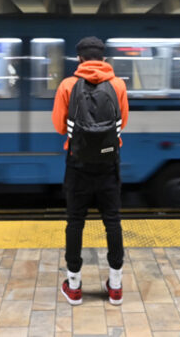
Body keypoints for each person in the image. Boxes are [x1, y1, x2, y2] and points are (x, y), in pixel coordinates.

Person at [52, 36, 129, 306]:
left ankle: (74, 286)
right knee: (112, 221)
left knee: (75, 221)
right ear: (104, 59)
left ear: (79, 59)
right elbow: (123, 122)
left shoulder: (67, 85)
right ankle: (116, 286)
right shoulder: (118, 84)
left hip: (77, 164)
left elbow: (60, 127)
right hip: (109, 163)